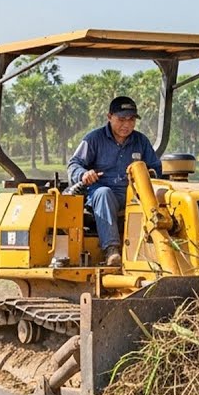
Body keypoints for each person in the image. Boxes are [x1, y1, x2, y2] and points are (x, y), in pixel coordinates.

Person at [67, 96, 162, 267]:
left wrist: (150, 174)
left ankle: (158, 252)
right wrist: (83, 174)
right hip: (99, 195)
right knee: (104, 193)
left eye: (131, 119)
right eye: (121, 119)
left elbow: (156, 169)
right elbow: (74, 164)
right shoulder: (94, 139)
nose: (127, 124)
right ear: (109, 117)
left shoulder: (141, 141)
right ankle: (111, 249)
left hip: (132, 195)